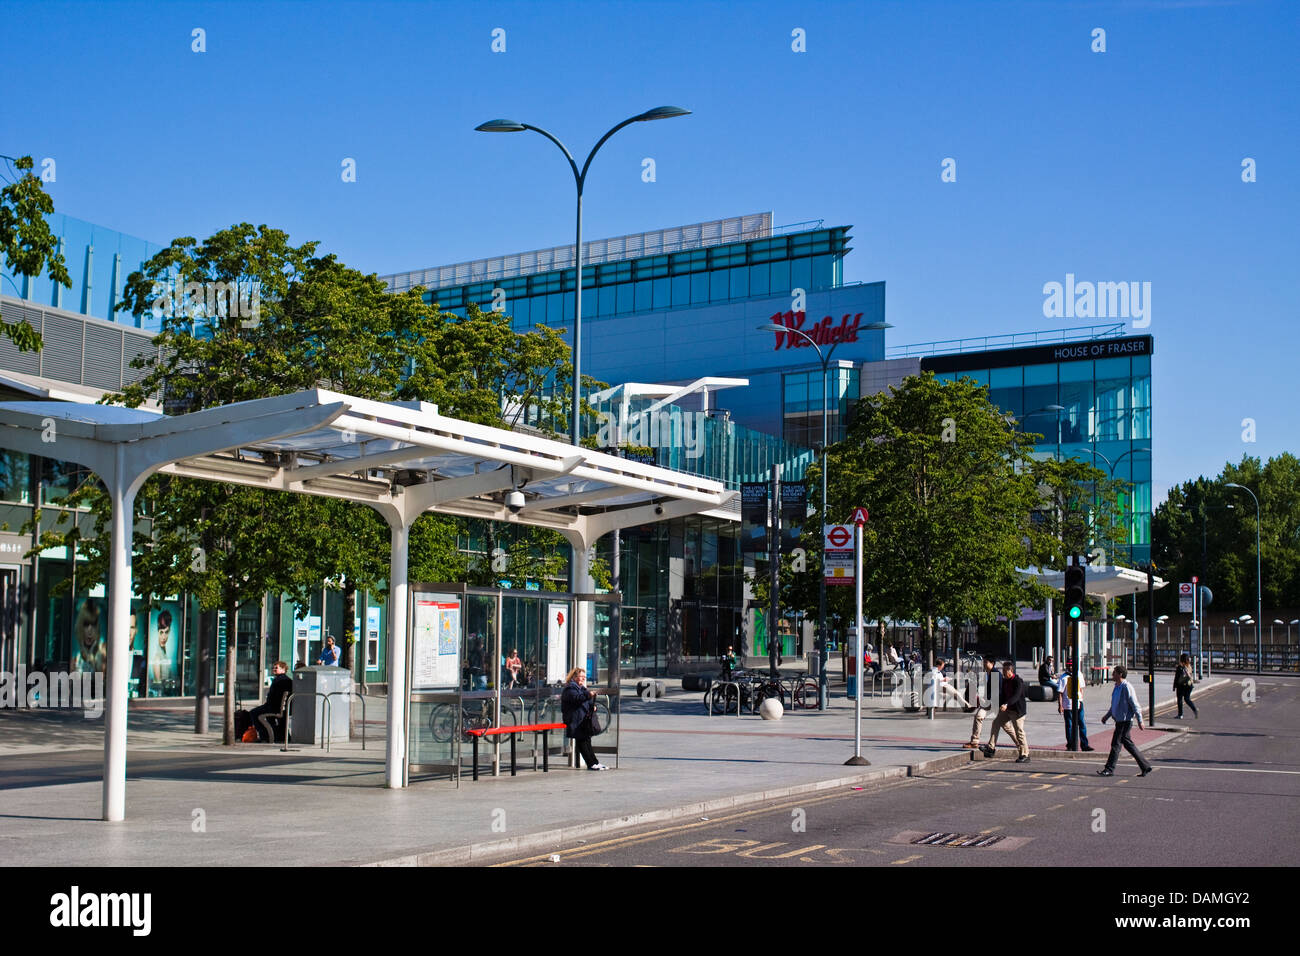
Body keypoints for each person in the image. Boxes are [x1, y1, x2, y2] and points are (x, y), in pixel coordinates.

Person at [1099, 665, 1153, 776]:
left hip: (1125, 721)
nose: (1112, 674)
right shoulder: (1117, 686)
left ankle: (1109, 769)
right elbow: (1114, 705)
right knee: (1128, 744)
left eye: (1114, 672)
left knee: (1116, 744)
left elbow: (1135, 705)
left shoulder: (1126, 687)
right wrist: (1107, 716)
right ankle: (1145, 766)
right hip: (1119, 720)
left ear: (1120, 674)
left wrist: (1140, 720)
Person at [982, 660, 1030, 763]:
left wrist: (1006, 704)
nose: (1003, 673)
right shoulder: (1005, 681)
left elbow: (1016, 696)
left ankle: (1025, 754)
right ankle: (991, 748)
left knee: (1019, 732)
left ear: (1010, 671)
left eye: (1004, 671)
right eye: (1002, 671)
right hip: (1007, 710)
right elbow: (1002, 695)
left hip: (1017, 711)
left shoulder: (1018, 681)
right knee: (996, 723)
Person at [560, 667, 607, 771]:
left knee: (586, 740)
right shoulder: (570, 688)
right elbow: (578, 699)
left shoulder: (581, 688)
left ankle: (595, 762)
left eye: (584, 677)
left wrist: (592, 706)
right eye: (581, 677)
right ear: (575, 677)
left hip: (581, 719)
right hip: (575, 720)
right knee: (582, 742)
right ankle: (591, 763)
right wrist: (588, 695)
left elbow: (587, 700)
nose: (583, 679)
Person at [249, 661, 294, 742]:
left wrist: (267, 705)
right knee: (269, 717)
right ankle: (276, 735)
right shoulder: (287, 680)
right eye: (273, 668)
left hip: (274, 707)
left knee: (253, 712)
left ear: (283, 669)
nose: (274, 669)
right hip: (282, 708)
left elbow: (273, 698)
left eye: (276, 668)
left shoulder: (279, 680)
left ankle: (264, 736)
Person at [1056, 659, 1094, 751]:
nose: (1070, 667)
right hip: (1068, 705)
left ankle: (1084, 745)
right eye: (1069, 665)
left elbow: (1081, 688)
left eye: (1072, 665)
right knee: (1069, 725)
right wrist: (1060, 705)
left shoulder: (1079, 674)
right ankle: (1070, 744)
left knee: (1082, 724)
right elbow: (1060, 693)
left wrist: (1081, 699)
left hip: (1078, 703)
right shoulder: (1063, 677)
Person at [963, 656, 998, 750]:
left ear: (992, 663)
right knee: (978, 716)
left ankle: (1020, 744)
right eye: (983, 662)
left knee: (1006, 726)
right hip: (987, 702)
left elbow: (997, 690)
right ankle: (974, 741)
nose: (984, 664)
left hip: (995, 702)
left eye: (986, 662)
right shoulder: (987, 673)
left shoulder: (995, 674)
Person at [1173, 653, 1199, 719]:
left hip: (1181, 685)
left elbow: (1177, 677)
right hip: (1189, 685)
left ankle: (1180, 715)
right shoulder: (1189, 666)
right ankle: (1194, 709)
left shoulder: (1180, 667)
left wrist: (1174, 686)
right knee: (1187, 699)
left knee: (1179, 700)